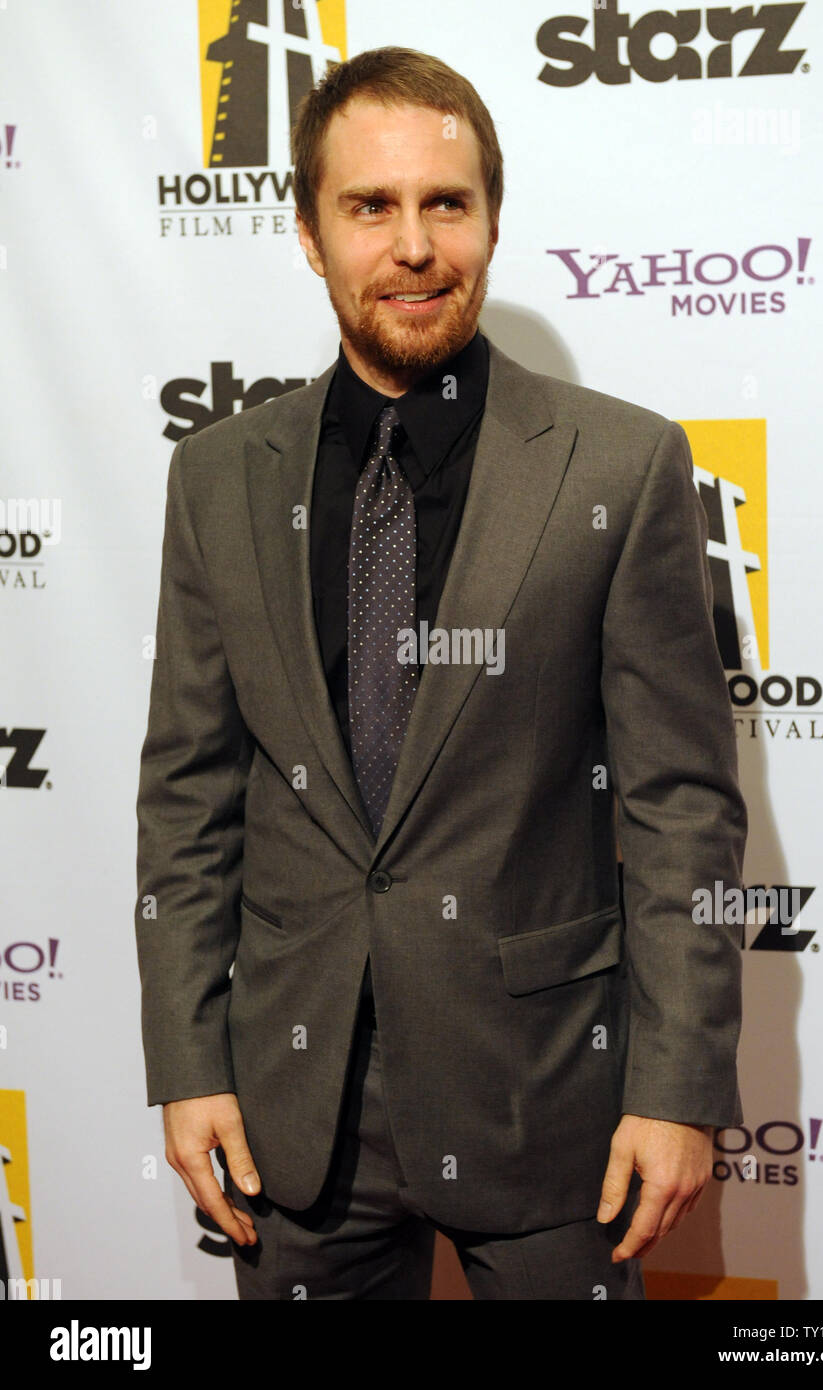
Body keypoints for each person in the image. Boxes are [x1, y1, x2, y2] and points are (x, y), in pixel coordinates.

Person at [135, 46, 747, 1301]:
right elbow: (189, 799)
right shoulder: (218, 477)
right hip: (297, 1114)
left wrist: (677, 1089)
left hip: (550, 1107)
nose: (414, 246)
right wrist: (189, 1058)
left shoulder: (617, 470)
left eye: (446, 204)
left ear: (492, 221)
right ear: (309, 234)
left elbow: (681, 808)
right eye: (370, 207)